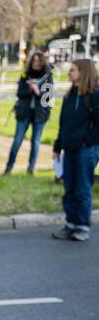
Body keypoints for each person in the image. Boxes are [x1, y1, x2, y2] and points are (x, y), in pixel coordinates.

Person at [51, 58, 99, 242]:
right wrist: (57, 145)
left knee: (82, 189)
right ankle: (70, 224)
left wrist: (87, 142)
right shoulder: (70, 95)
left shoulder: (94, 95)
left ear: (84, 72)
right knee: (69, 188)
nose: (69, 73)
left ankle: (82, 226)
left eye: (73, 70)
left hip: (85, 151)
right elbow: (63, 123)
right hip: (69, 149)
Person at [6, 51, 54, 176]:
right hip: (24, 112)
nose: (36, 64)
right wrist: (29, 89)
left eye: (38, 62)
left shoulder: (47, 75)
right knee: (18, 140)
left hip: (40, 114)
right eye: (33, 61)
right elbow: (19, 93)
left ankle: (31, 168)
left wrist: (38, 91)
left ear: (42, 62)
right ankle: (9, 167)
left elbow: (48, 97)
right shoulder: (25, 75)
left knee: (35, 142)